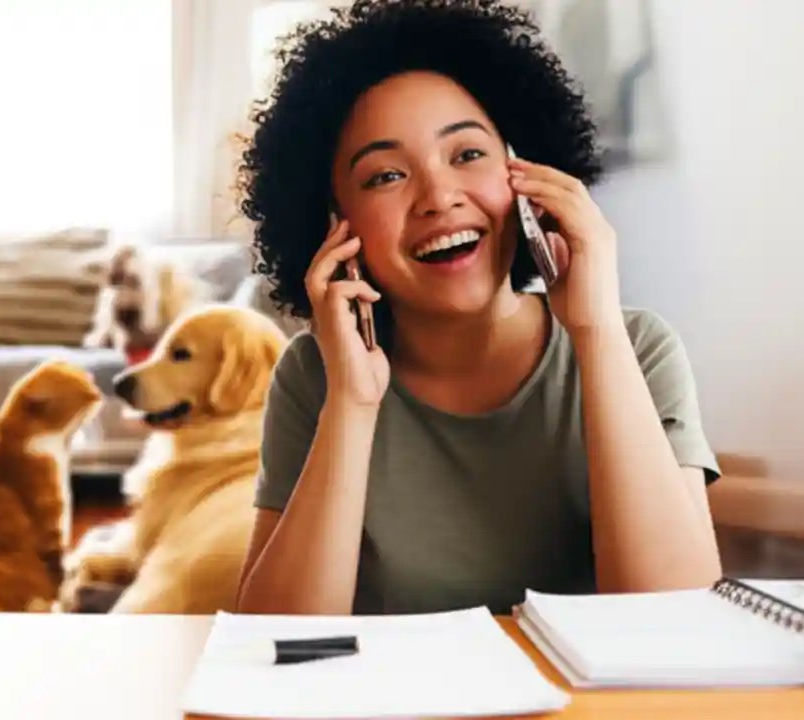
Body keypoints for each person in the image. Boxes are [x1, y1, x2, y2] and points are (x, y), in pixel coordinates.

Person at [233, 0, 722, 616]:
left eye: (467, 155)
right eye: (386, 176)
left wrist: (595, 332)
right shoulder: (315, 376)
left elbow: (676, 618)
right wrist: (352, 405)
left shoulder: (639, 347)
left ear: (528, 175)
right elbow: (274, 644)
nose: (439, 197)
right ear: (334, 224)